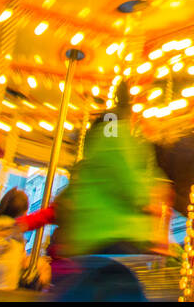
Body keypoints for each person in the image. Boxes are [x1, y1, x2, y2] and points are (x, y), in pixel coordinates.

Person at [55, 81, 161, 257]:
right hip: (113, 232)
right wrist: (148, 200)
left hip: (89, 234)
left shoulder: (99, 143)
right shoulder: (115, 134)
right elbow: (128, 179)